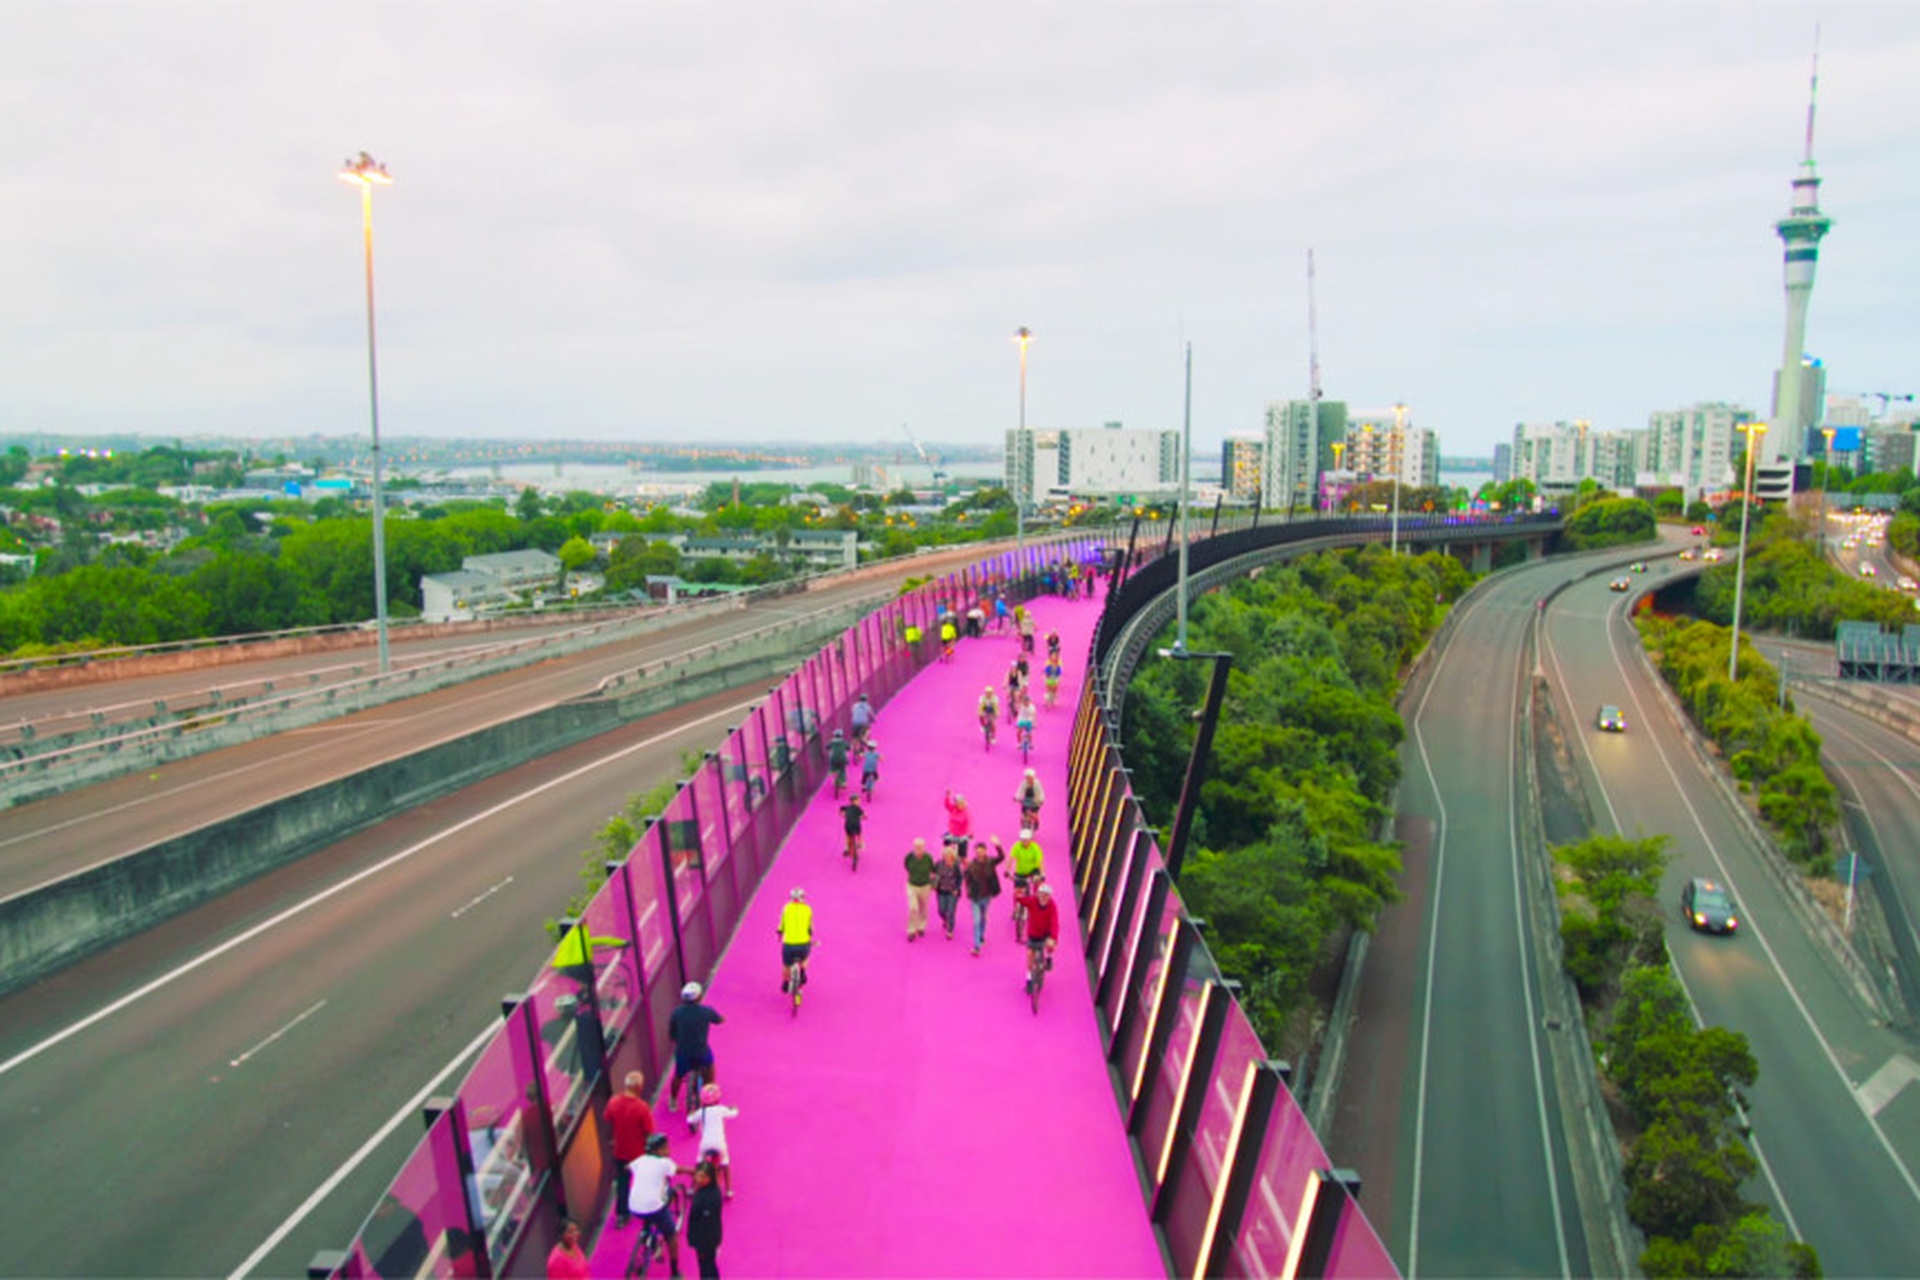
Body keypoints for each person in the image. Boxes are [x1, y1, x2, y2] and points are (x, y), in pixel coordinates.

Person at [626, 1133, 693, 1277]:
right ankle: (675, 1273)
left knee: (647, 1216)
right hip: (653, 1206)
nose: (668, 1150)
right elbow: (679, 1170)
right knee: (671, 1235)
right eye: (665, 1148)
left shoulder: (641, 1160)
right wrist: (692, 1171)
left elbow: (627, 1168)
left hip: (633, 1206)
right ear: (657, 1151)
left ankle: (648, 1238)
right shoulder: (664, 1163)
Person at [606, 1072, 657, 1228]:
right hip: (638, 1152)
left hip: (620, 1151)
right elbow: (649, 1132)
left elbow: (608, 1122)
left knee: (623, 1182)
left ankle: (622, 1214)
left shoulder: (613, 1103)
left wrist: (612, 1140)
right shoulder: (642, 1108)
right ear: (639, 1087)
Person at [668, 983, 724, 1114]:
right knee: (710, 1067)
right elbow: (719, 1020)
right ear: (698, 997)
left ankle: (673, 1100)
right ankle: (711, 1089)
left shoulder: (677, 1013)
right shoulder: (705, 1011)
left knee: (678, 1075)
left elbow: (672, 1033)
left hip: (683, 1051)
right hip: (701, 1050)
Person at [686, 1084, 739, 1199]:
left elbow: (690, 1120)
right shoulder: (721, 1109)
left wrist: (690, 1114)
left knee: (699, 1163)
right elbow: (733, 1114)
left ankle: (692, 1188)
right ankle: (729, 1190)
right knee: (725, 1163)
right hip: (719, 1143)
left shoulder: (701, 1112)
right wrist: (734, 1109)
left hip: (705, 1143)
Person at [963, 837, 1006, 955]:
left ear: (985, 851)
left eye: (981, 851)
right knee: (976, 921)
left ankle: (981, 935)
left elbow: (1002, 858)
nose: (979, 853)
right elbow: (967, 879)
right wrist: (965, 869)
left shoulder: (990, 862)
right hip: (975, 898)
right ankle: (977, 946)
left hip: (987, 896)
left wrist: (998, 846)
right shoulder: (972, 865)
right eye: (977, 851)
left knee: (983, 918)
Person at [685, 1159, 725, 1280]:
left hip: (707, 1241)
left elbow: (707, 1225)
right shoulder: (705, 1191)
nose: (699, 1179)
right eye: (697, 1175)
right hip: (704, 1240)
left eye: (703, 1176)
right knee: (707, 1266)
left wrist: (702, 1245)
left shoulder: (711, 1198)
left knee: (707, 1267)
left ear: (711, 1177)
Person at [1015, 879, 1060, 979]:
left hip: (1046, 932)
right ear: (1038, 894)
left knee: (1050, 944)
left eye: (1046, 895)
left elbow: (1054, 923)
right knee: (1030, 955)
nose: (1043, 898)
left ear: (1049, 897)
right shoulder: (1032, 900)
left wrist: (1054, 938)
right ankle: (1029, 978)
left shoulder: (1052, 906)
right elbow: (1023, 900)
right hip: (1033, 933)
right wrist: (1018, 895)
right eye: (1041, 895)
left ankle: (1049, 957)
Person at [777, 887, 815, 995]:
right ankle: (802, 972)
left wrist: (780, 932)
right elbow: (810, 927)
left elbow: (782, 925)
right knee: (806, 957)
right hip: (803, 944)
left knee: (786, 965)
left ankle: (785, 983)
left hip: (789, 944)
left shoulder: (786, 908)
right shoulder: (808, 909)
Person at [932, 839, 965, 940]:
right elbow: (934, 874)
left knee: (951, 911)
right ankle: (945, 919)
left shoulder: (955, 866)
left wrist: (957, 888)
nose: (946, 858)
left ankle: (950, 930)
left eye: (948, 856)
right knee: (941, 910)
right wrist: (933, 883)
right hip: (941, 890)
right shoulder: (938, 864)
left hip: (952, 891)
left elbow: (960, 878)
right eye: (944, 856)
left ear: (952, 857)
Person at [903, 837, 936, 941]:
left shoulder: (928, 858)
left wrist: (932, 883)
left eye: (921, 847)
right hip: (912, 885)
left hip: (925, 886)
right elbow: (906, 867)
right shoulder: (909, 857)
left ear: (924, 847)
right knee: (913, 907)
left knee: (923, 907)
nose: (919, 849)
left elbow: (932, 870)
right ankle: (911, 929)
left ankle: (921, 926)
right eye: (916, 847)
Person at [1008, 828, 1044, 895]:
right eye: (1023, 839)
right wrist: (1008, 871)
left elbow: (1040, 861)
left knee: (1037, 881)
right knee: (1018, 892)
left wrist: (1042, 874)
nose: (1025, 841)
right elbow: (1011, 859)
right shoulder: (1017, 846)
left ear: (1031, 839)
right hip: (1021, 872)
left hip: (1033, 870)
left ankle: (1037, 895)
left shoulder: (1035, 847)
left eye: (1027, 839)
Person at [942, 790, 972, 858]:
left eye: (962, 803)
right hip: (951, 833)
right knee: (946, 849)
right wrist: (947, 796)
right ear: (956, 804)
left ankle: (967, 867)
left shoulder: (966, 814)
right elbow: (947, 805)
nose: (961, 805)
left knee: (962, 857)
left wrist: (968, 834)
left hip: (961, 836)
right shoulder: (953, 809)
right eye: (959, 803)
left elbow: (969, 826)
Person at [839, 794, 866, 862]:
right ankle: (860, 843)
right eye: (858, 800)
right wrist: (863, 817)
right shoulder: (858, 809)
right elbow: (864, 815)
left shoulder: (847, 807)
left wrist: (842, 814)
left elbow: (841, 810)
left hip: (848, 826)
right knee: (859, 832)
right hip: (856, 826)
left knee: (848, 836)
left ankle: (847, 848)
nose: (859, 801)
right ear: (853, 801)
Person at [826, 729, 850, 795]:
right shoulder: (843, 742)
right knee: (843, 769)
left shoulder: (832, 742)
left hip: (833, 759)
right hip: (842, 759)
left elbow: (827, 747)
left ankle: (832, 773)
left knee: (832, 766)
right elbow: (848, 748)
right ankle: (844, 782)